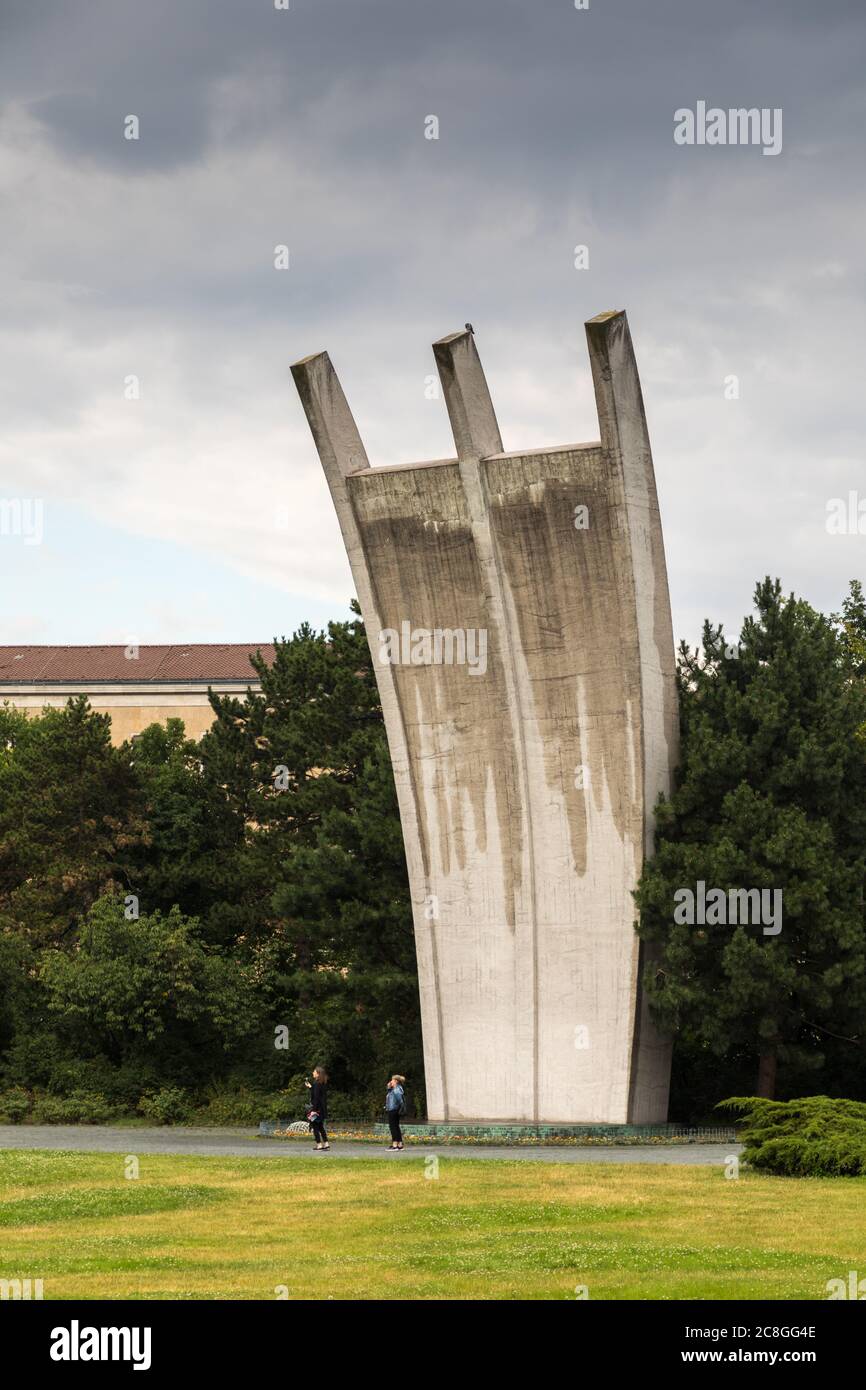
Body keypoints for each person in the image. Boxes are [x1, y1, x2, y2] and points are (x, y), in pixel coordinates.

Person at [306, 1065, 330, 1151]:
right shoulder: (322, 1083)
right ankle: (326, 1143)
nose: (313, 1073)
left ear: (318, 1074)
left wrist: (313, 1110)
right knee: (320, 1127)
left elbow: (315, 1098)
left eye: (314, 1072)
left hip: (317, 1109)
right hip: (322, 1109)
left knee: (315, 1127)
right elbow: (319, 1095)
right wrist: (310, 1087)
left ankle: (319, 1144)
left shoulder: (316, 1083)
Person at [385, 1074, 406, 1150]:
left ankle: (395, 1145)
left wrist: (399, 1108)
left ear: (396, 1081)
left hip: (393, 1110)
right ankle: (400, 1144)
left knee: (393, 1127)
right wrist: (389, 1087)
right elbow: (391, 1096)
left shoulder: (396, 1089)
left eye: (392, 1080)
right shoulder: (396, 1088)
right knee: (396, 1127)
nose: (391, 1081)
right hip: (394, 1109)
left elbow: (400, 1100)